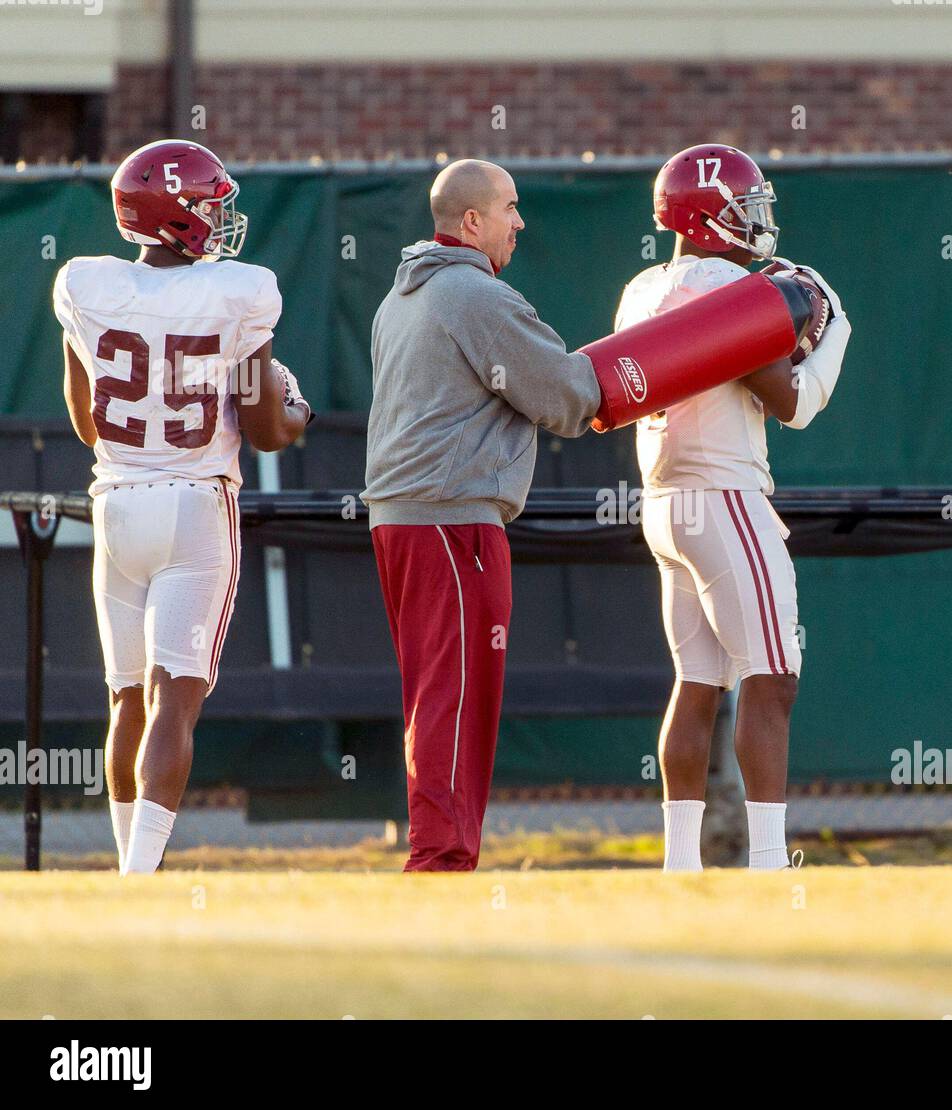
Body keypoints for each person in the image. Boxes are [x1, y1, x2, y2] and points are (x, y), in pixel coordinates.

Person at [54, 139, 311, 874]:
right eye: (208, 203)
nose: (221, 215)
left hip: (118, 500)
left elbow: (86, 423)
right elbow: (265, 432)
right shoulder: (240, 292)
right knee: (176, 698)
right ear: (176, 215)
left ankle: (131, 871)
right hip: (196, 505)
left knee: (127, 698)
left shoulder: (85, 284)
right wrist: (295, 407)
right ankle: (142, 875)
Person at [614, 144, 851, 871]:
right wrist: (834, 331)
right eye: (746, 207)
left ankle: (681, 861)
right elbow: (795, 404)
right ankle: (771, 858)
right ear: (709, 213)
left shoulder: (643, 288)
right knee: (772, 675)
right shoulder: (734, 290)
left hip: (662, 501)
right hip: (724, 496)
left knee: (697, 682)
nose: (758, 221)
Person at [363, 159, 603, 872]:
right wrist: (640, 373)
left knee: (434, 693)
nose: (519, 222)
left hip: (404, 517)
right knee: (457, 698)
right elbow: (566, 397)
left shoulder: (400, 295)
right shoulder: (474, 295)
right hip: (452, 520)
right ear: (473, 222)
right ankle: (440, 859)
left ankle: (440, 851)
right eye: (509, 207)